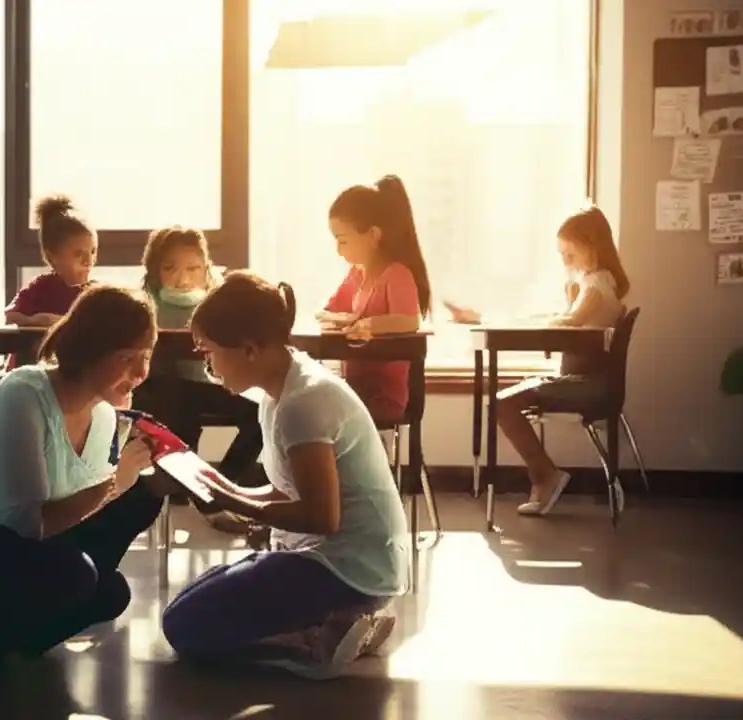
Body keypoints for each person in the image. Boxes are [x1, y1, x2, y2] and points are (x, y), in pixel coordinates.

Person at [0, 285, 164, 684]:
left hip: (15, 550)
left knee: (111, 591)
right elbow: (27, 523)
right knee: (74, 574)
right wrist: (112, 485)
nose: (141, 373)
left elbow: (73, 515)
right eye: (127, 358)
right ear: (89, 350)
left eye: (146, 357)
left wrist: (148, 481)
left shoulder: (105, 417)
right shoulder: (24, 395)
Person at [161, 271, 407, 680]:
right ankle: (345, 621)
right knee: (188, 600)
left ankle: (321, 635)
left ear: (250, 350)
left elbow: (321, 517)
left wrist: (237, 503)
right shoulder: (279, 393)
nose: (208, 366)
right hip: (333, 560)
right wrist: (229, 488)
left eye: (211, 353)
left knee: (183, 627)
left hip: (347, 568)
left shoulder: (302, 403)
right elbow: (287, 491)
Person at [446, 206, 630, 516]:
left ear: (591, 246)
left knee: (502, 404)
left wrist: (563, 304)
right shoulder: (601, 282)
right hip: (589, 381)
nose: (565, 262)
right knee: (504, 401)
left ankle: (545, 475)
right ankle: (545, 474)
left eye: (569, 255)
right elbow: (564, 319)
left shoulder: (596, 286)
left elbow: (566, 323)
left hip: (587, 385)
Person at [131, 226, 262, 487]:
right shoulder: (142, 304)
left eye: (193, 269)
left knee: (259, 412)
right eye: (170, 268)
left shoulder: (216, 304)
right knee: (172, 398)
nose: (182, 279)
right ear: (155, 271)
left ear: (206, 269)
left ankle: (216, 486)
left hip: (203, 387)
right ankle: (185, 487)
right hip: (155, 392)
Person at [321, 175, 431, 423]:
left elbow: (409, 320)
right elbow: (328, 311)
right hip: (354, 386)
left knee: (315, 412)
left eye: (343, 240)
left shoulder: (396, 274)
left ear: (373, 235)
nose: (338, 250)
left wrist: (368, 325)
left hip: (382, 393)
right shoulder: (356, 275)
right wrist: (341, 319)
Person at [4, 194, 97, 327]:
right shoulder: (39, 288)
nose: (89, 261)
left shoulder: (95, 293)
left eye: (92, 251)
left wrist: (61, 322)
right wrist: (33, 321)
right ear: (51, 258)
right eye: (78, 254)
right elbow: (10, 316)